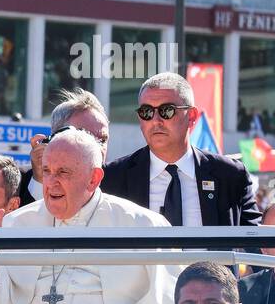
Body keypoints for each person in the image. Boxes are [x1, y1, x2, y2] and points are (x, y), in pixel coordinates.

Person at [0, 129, 174, 304]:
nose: (51, 182)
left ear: (93, 179)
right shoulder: (17, 224)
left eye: (63, 173)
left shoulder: (143, 225)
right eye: (47, 170)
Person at [101, 73, 260, 226]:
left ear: (191, 116)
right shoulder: (112, 178)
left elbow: (254, 244)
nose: (156, 121)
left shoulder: (230, 176)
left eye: (167, 110)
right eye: (147, 112)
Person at [24, 88, 110, 205]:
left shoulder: (121, 181)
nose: (97, 147)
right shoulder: (13, 182)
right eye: (85, 136)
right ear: (56, 138)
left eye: (103, 140)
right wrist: (41, 178)